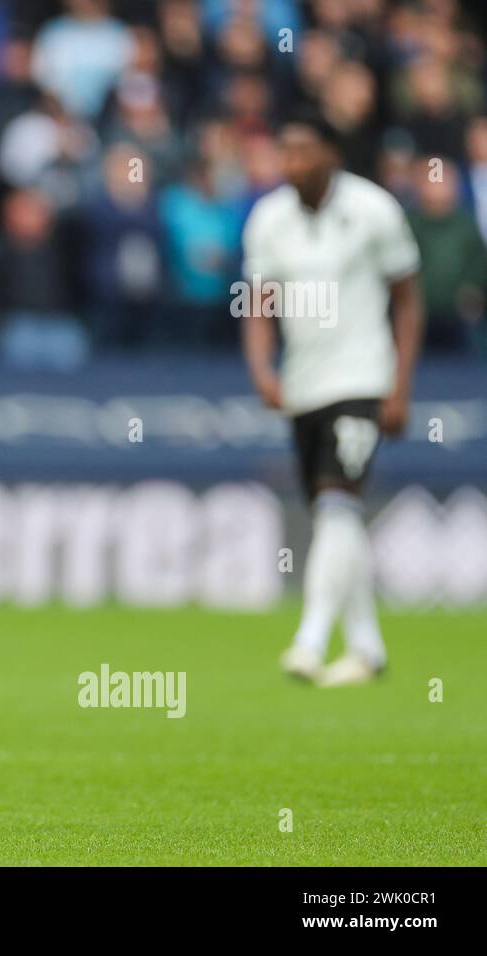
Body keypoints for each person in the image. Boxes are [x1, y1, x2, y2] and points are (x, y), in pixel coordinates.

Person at [241, 110, 424, 688]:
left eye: (302, 151)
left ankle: (310, 639)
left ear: (331, 155)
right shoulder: (269, 218)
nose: (290, 163)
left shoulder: (373, 210)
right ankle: (367, 647)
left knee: (336, 505)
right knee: (334, 516)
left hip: (361, 378)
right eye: (284, 151)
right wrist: (261, 368)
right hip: (304, 384)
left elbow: (408, 298)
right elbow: (257, 299)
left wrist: (399, 385)